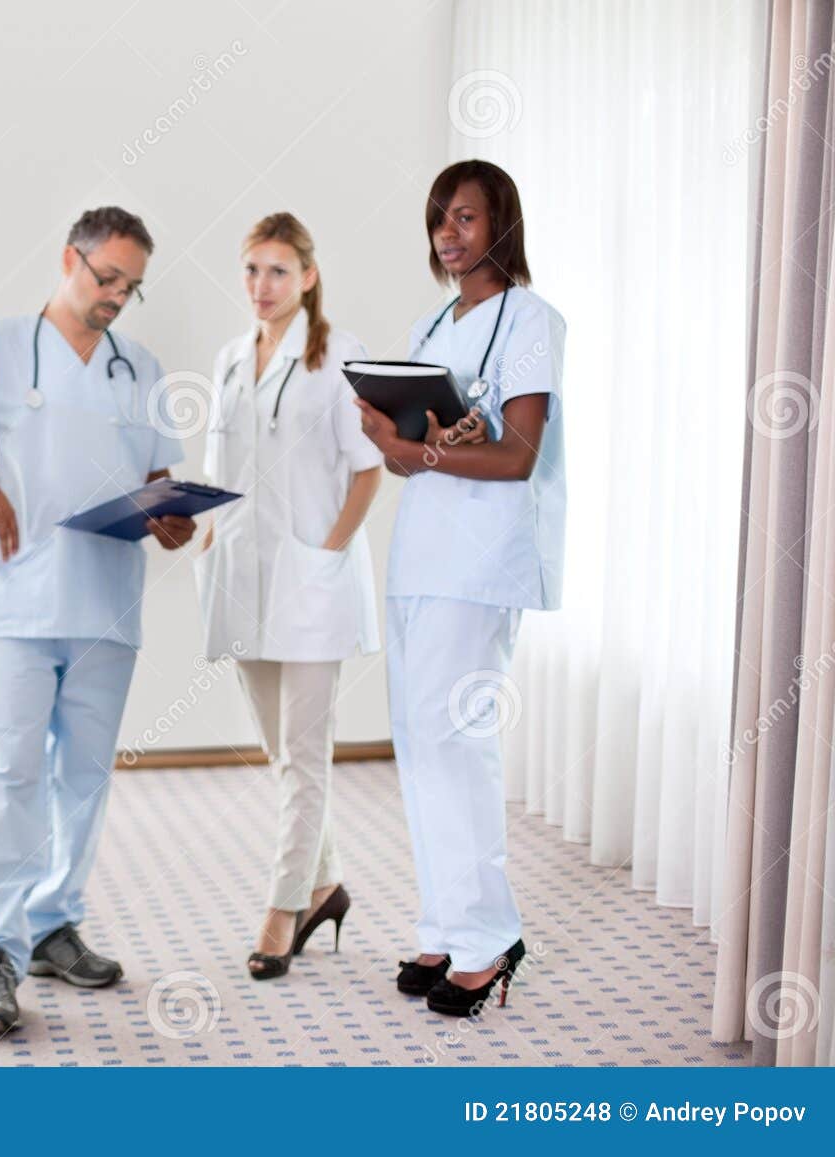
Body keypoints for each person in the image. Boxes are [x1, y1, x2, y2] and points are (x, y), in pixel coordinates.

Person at [0, 207, 195, 1035]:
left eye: (130, 287)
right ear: (69, 258)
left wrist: (173, 516)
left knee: (84, 776)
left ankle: (54, 920)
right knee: (10, 770)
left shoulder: (142, 367)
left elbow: (158, 472)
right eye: (105, 279)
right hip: (19, 593)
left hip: (105, 597)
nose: (116, 299)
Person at [354, 159, 566, 1017]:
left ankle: (489, 939)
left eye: (467, 216)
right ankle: (444, 921)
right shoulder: (434, 320)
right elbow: (427, 450)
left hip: (480, 562)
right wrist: (389, 438)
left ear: (501, 224)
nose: (449, 232)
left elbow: (518, 455)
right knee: (419, 740)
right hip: (421, 557)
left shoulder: (531, 319)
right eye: (440, 217)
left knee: (458, 743)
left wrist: (418, 453)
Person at [197, 212, 382, 981]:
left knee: (305, 757)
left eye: (277, 271)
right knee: (283, 754)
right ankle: (327, 883)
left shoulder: (340, 357)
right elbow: (216, 463)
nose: (261, 287)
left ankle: (284, 911)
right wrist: (203, 536)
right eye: (250, 270)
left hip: (311, 584)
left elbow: (368, 465)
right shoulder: (231, 358)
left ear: (307, 275)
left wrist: (329, 549)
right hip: (241, 576)